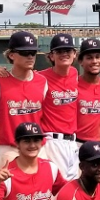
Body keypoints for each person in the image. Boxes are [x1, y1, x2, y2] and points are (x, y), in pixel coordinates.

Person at [0, 31, 48, 173]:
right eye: (25, 52)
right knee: (6, 194)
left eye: (33, 53)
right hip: (9, 150)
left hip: (38, 149)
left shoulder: (42, 81)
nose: (30, 56)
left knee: (41, 194)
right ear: (11, 55)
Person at [38, 33, 80, 180]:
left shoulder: (74, 74)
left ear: (74, 54)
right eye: (59, 51)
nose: (64, 54)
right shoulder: (40, 78)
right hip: (52, 142)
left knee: (71, 192)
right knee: (55, 191)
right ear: (51, 56)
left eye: (68, 51)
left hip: (73, 143)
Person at [76, 38, 100, 182]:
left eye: (98, 57)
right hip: (80, 146)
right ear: (80, 61)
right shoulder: (73, 84)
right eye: (89, 57)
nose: (94, 61)